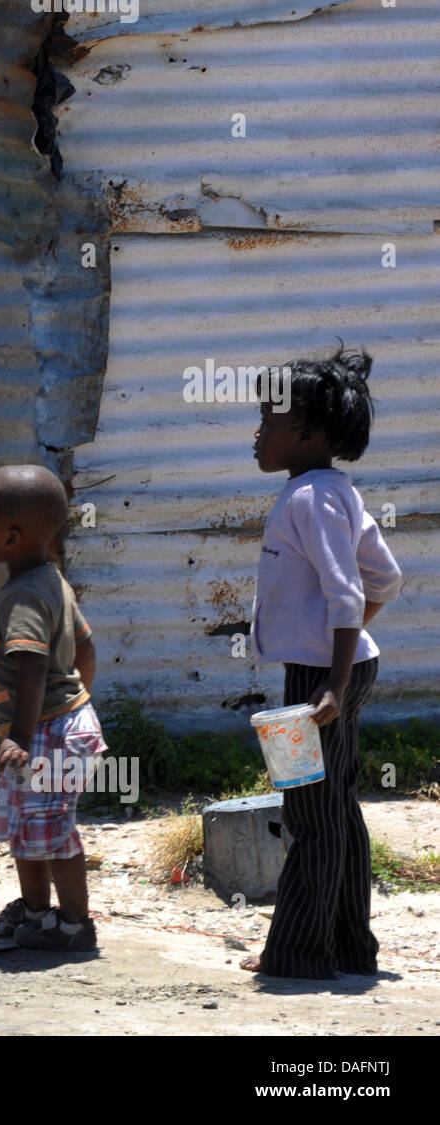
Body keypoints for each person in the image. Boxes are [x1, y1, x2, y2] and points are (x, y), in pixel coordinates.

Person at [241, 345, 402, 979]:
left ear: (305, 434)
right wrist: (345, 652)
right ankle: (347, 945)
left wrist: (332, 678)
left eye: (268, 422)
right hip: (333, 670)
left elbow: (349, 591)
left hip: (316, 681)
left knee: (310, 815)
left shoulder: (308, 499)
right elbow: (383, 580)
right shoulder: (335, 492)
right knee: (337, 807)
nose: (257, 433)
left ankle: (301, 954)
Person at [0, 464, 106, 951]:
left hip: (46, 733)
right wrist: (78, 705)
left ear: (11, 536)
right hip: (56, 725)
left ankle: (74, 926)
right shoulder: (51, 579)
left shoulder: (25, 596)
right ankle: (36, 913)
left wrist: (25, 736)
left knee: (53, 833)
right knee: (26, 827)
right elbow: (86, 649)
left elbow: (31, 668)